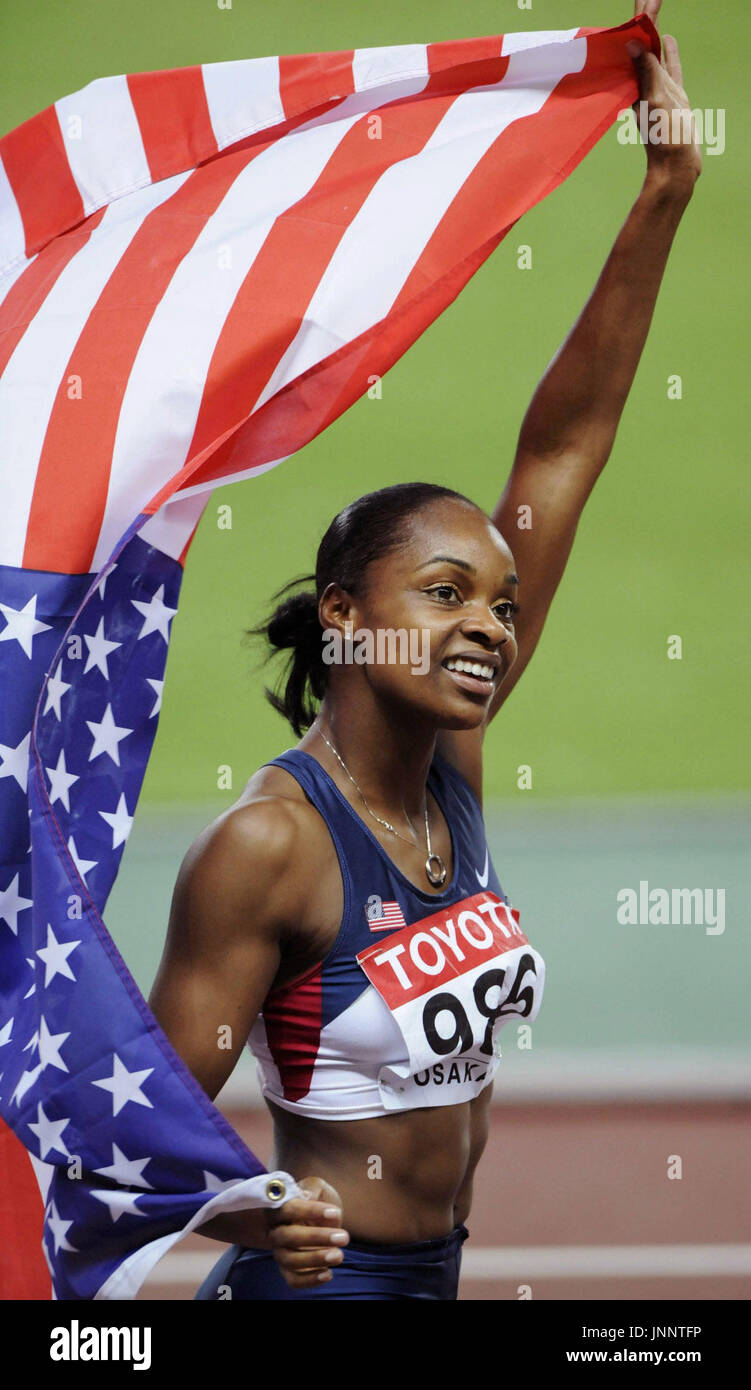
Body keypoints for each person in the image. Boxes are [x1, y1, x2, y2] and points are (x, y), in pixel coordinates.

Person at [148, 0, 701, 1300]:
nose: (489, 625)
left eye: (502, 605)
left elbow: (562, 454)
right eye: (447, 592)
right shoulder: (269, 846)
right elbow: (138, 1141)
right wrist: (250, 1221)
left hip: (445, 1273)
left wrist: (664, 192)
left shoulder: (457, 755)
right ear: (346, 613)